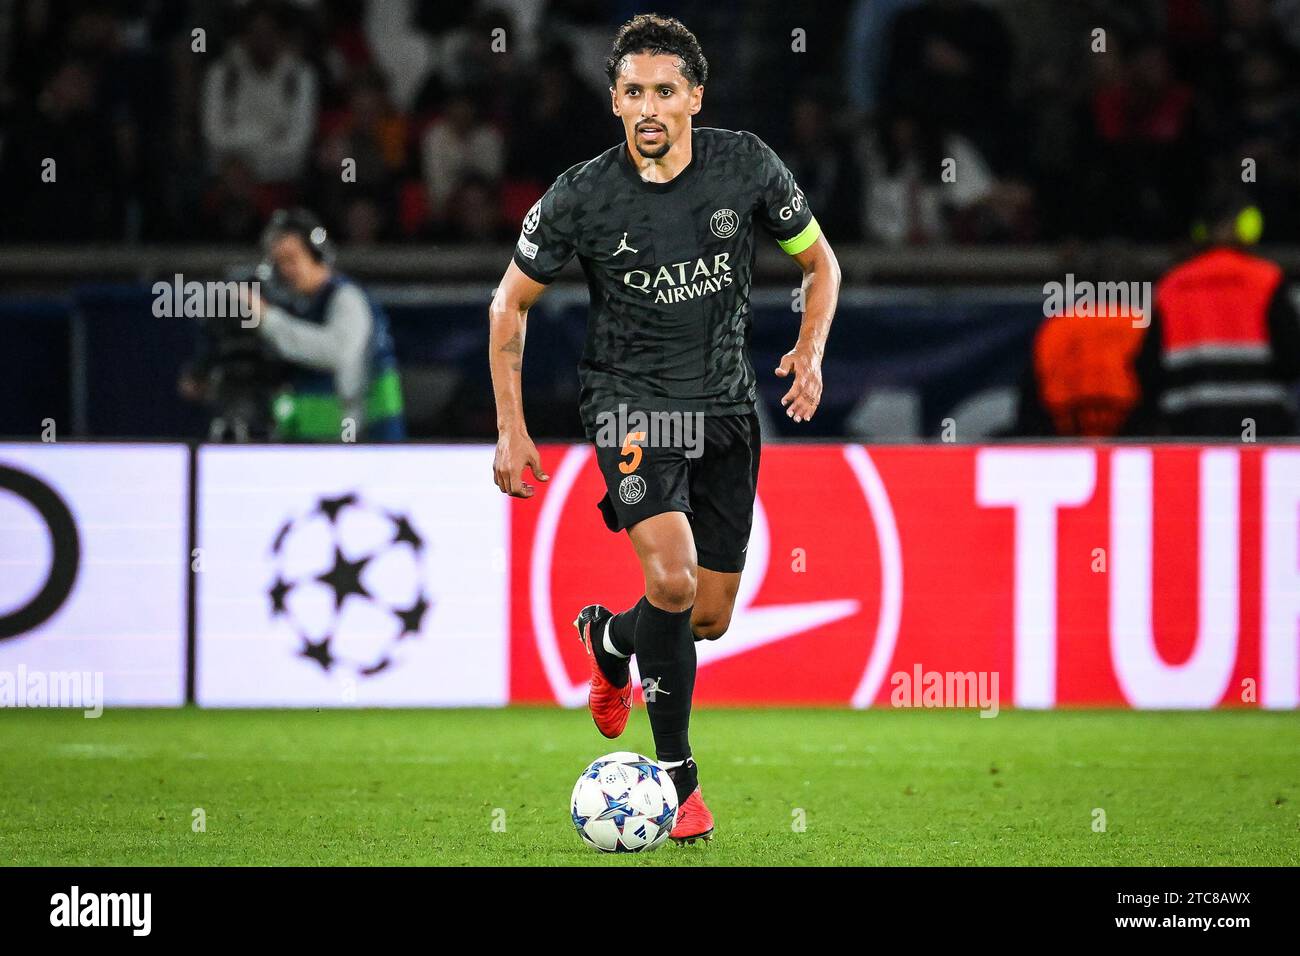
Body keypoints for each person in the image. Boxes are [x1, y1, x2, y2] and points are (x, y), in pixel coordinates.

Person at [487, 15, 841, 844]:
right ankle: (682, 787)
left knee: (706, 615)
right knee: (675, 583)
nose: (650, 106)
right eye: (634, 91)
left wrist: (810, 349)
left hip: (725, 408)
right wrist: (512, 427)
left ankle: (609, 641)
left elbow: (821, 262)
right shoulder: (582, 194)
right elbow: (509, 302)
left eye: (665, 91)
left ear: (694, 98)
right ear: (614, 101)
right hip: (630, 406)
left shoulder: (745, 166)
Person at [1135, 190, 1300, 436]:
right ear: (1248, 228)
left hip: (1190, 429)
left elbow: (1147, 369)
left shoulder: (1172, 286)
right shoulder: (1267, 279)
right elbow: (1293, 358)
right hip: (1262, 427)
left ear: (1201, 232)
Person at [250, 208, 405, 441]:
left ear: (318, 254)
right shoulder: (300, 304)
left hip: (360, 445)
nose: (285, 270)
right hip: (318, 445)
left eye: (292, 259)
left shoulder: (346, 298)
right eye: (279, 262)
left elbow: (335, 351)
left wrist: (267, 320)